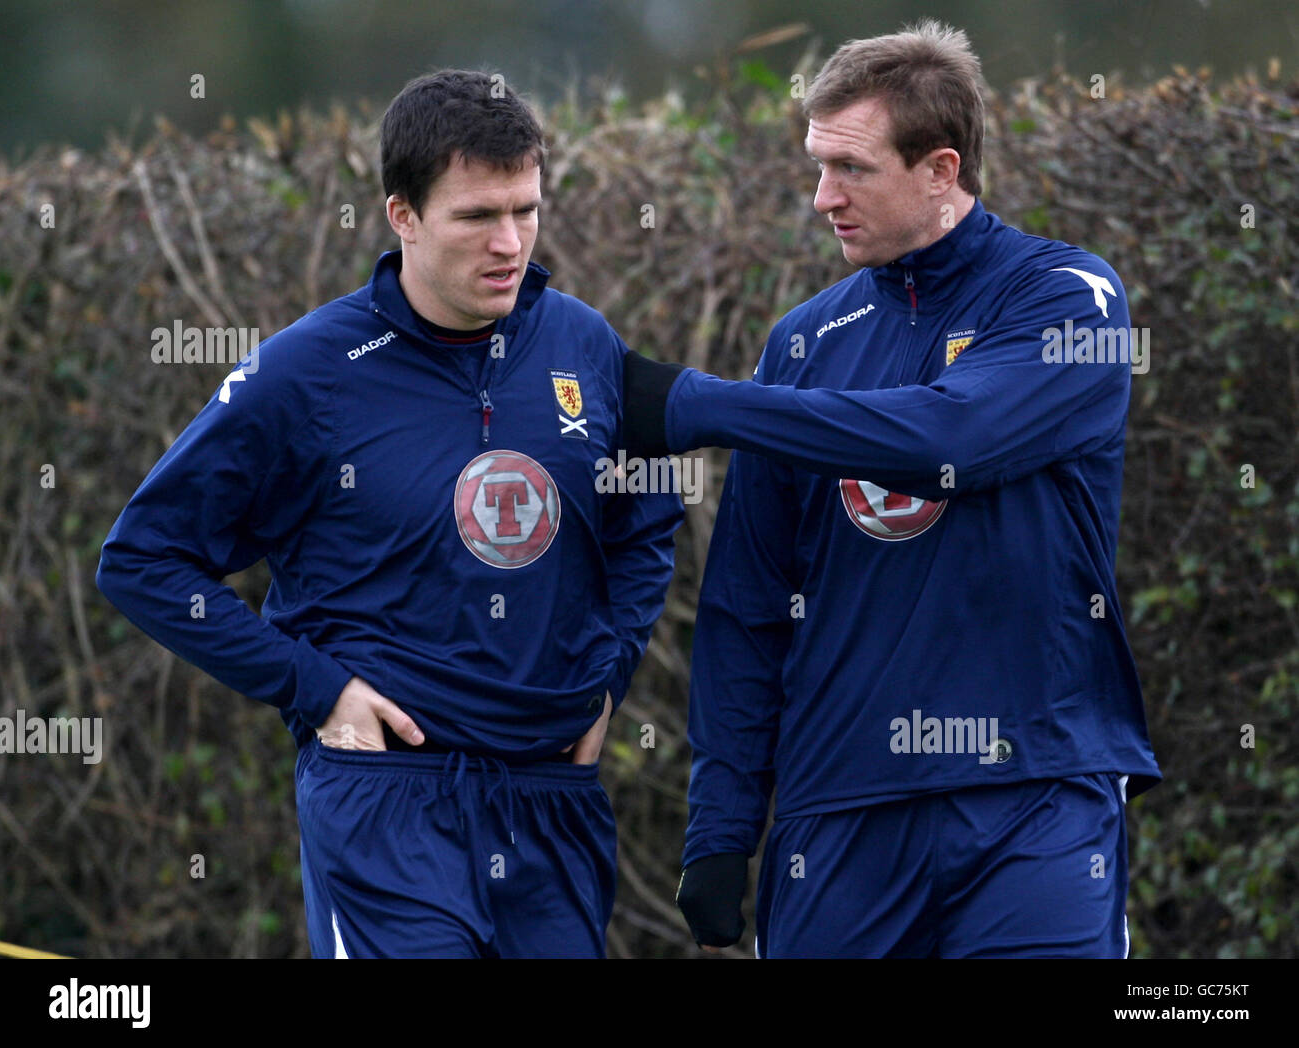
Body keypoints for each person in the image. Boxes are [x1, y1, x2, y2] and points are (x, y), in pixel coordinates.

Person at [97, 70, 683, 959]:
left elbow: (645, 520)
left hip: (553, 801)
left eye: (525, 210)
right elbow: (142, 560)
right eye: (477, 217)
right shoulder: (308, 372)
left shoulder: (582, 343)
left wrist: (609, 674)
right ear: (401, 215)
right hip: (392, 799)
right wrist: (314, 687)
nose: (511, 243)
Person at [623, 20, 1161, 957]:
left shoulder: (1070, 300)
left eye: (851, 168)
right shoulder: (801, 344)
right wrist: (720, 826)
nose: (822, 197)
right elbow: (750, 605)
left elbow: (953, 435)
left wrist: (705, 406)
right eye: (815, 164)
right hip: (839, 814)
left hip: (1032, 794)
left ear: (941, 169)